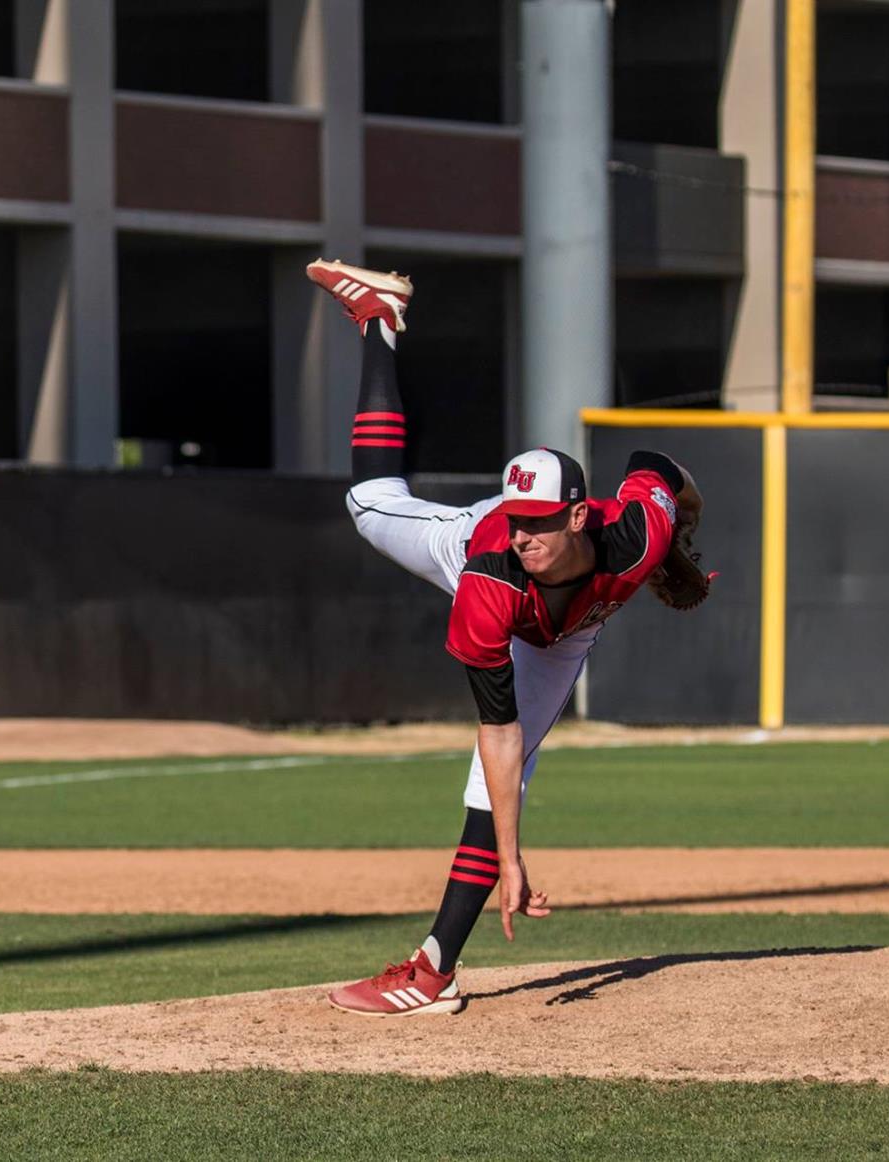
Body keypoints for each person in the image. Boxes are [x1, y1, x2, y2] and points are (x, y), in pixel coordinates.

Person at [305, 259, 706, 1017]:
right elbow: (499, 733)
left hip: (561, 638)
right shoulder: (493, 570)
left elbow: (659, 466)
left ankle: (431, 973)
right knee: (367, 501)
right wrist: (514, 859)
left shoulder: (638, 530)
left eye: (543, 523)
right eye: (522, 523)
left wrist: (685, 527)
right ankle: (378, 323)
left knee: (489, 793)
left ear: (581, 516)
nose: (529, 535)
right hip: (466, 551)